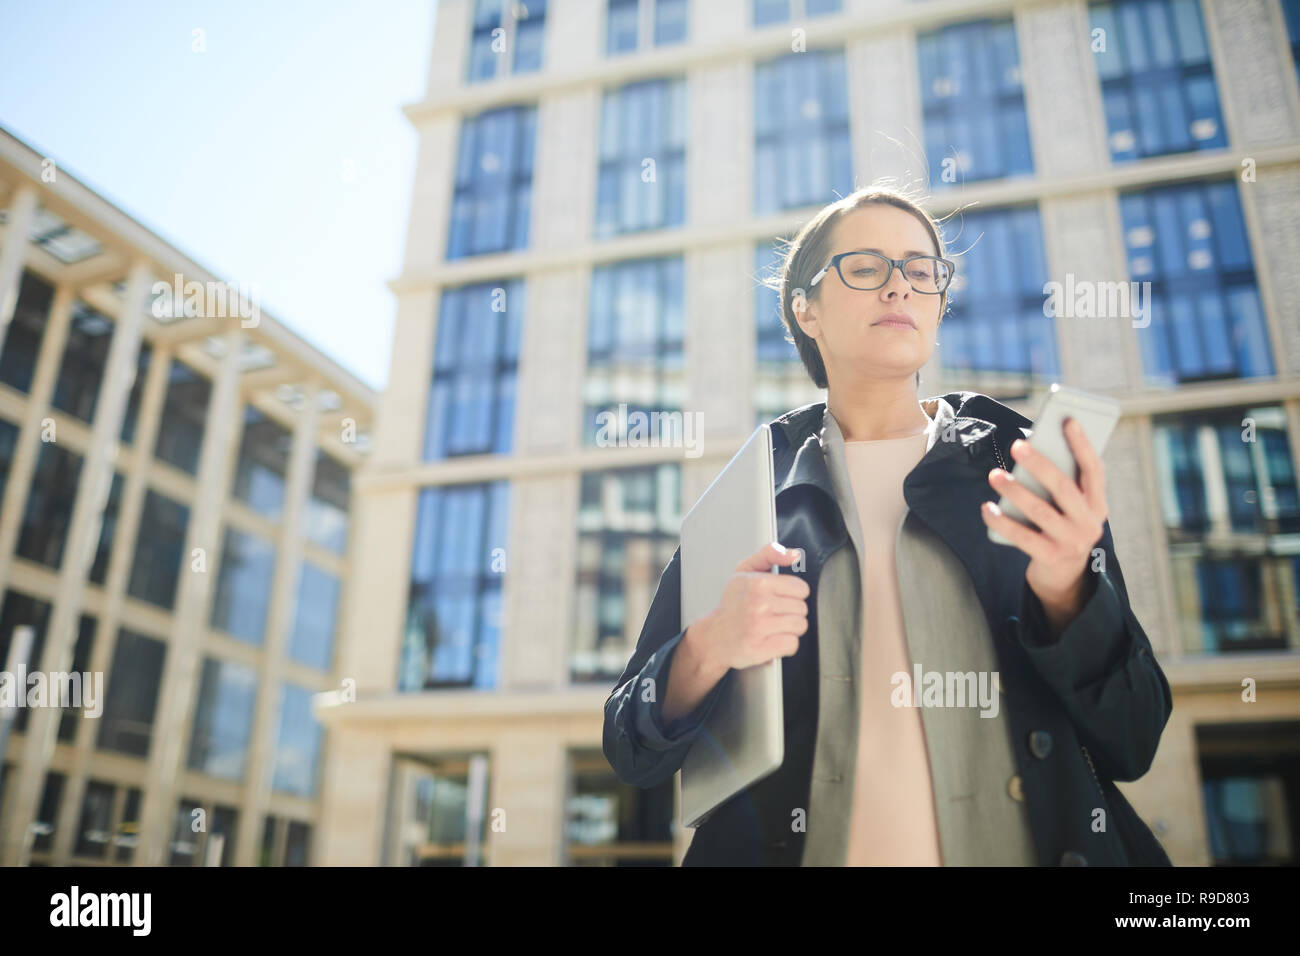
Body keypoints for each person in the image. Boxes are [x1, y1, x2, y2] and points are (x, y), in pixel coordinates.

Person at [603, 183, 1174, 866]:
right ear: (805, 310)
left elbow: (1134, 739)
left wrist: (1067, 593)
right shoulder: (752, 498)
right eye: (867, 268)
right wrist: (711, 645)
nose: (900, 287)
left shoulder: (1020, 465)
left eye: (921, 271)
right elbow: (629, 746)